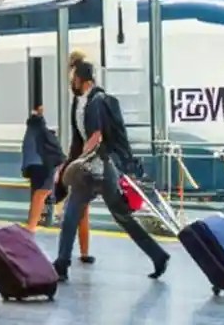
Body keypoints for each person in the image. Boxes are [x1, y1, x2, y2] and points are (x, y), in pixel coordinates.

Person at [54, 61, 169, 282]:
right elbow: (79, 141)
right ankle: (158, 255)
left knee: (74, 214)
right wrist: (67, 163)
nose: (72, 82)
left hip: (99, 168)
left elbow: (96, 137)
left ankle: (62, 263)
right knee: (116, 216)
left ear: (84, 80)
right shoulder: (78, 104)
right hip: (92, 170)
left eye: (74, 78)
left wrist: (77, 162)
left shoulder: (96, 101)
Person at [60, 48, 94, 263]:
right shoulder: (86, 99)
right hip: (85, 159)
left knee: (78, 209)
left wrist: (74, 161)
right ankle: (82, 252)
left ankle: (71, 255)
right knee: (81, 209)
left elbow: (81, 137)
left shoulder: (82, 101)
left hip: (81, 158)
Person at [21, 105, 64, 231]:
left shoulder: (30, 132)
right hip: (44, 164)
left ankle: (32, 224)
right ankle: (32, 226)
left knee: (38, 194)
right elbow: (55, 150)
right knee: (41, 194)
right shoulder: (42, 131)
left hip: (34, 166)